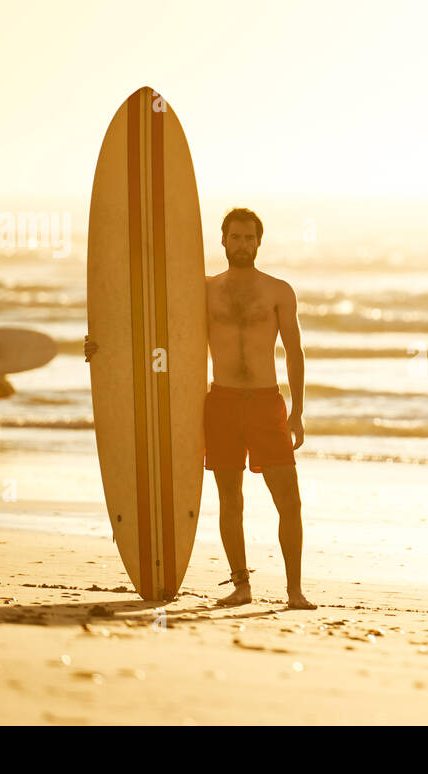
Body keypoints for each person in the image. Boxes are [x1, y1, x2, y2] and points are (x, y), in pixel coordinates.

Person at [84, 208, 315, 610]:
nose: (242, 245)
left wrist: (296, 411)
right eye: (235, 237)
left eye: (249, 238)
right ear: (222, 241)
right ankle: (241, 585)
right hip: (221, 402)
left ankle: (294, 592)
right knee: (230, 498)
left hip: (265, 403)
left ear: (259, 242)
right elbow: (154, 325)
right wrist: (102, 344)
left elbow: (294, 353)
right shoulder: (203, 290)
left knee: (289, 502)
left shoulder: (279, 291)